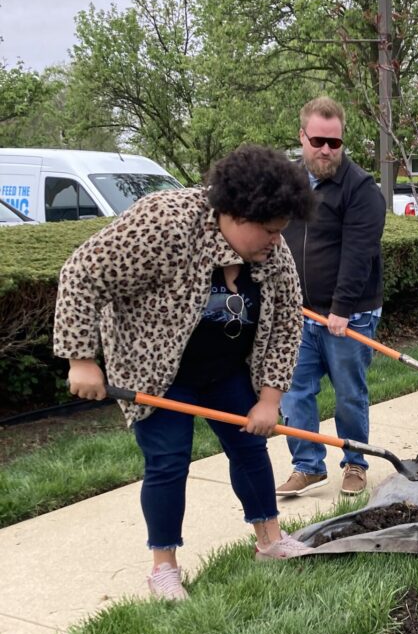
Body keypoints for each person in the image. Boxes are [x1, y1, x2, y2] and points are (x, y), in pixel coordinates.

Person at [53, 144, 316, 600]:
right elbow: (83, 273)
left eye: (281, 232)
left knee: (250, 447)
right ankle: (164, 568)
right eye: (270, 231)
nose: (277, 241)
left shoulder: (271, 253)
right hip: (157, 372)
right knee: (169, 462)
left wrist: (270, 399)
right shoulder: (166, 222)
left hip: (228, 367)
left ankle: (270, 541)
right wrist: (81, 358)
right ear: (235, 213)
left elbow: (288, 321)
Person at [278, 96, 386, 499]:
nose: (327, 150)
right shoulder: (287, 183)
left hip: (348, 315)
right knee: (294, 390)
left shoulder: (360, 189)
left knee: (348, 393)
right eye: (319, 141)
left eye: (335, 143)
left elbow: (360, 253)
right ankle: (307, 465)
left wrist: (341, 308)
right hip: (297, 312)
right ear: (302, 136)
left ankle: (355, 462)